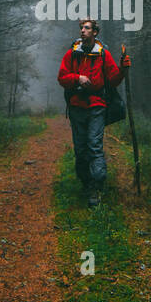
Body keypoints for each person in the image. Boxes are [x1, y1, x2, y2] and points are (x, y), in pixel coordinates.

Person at [57, 18, 130, 207]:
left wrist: (122, 69)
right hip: (76, 107)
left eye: (87, 28)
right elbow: (62, 78)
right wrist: (77, 78)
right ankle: (86, 182)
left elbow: (113, 80)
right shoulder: (71, 54)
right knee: (80, 148)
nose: (83, 31)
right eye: (81, 28)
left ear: (95, 32)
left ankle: (97, 187)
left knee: (94, 145)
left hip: (97, 106)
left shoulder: (103, 55)